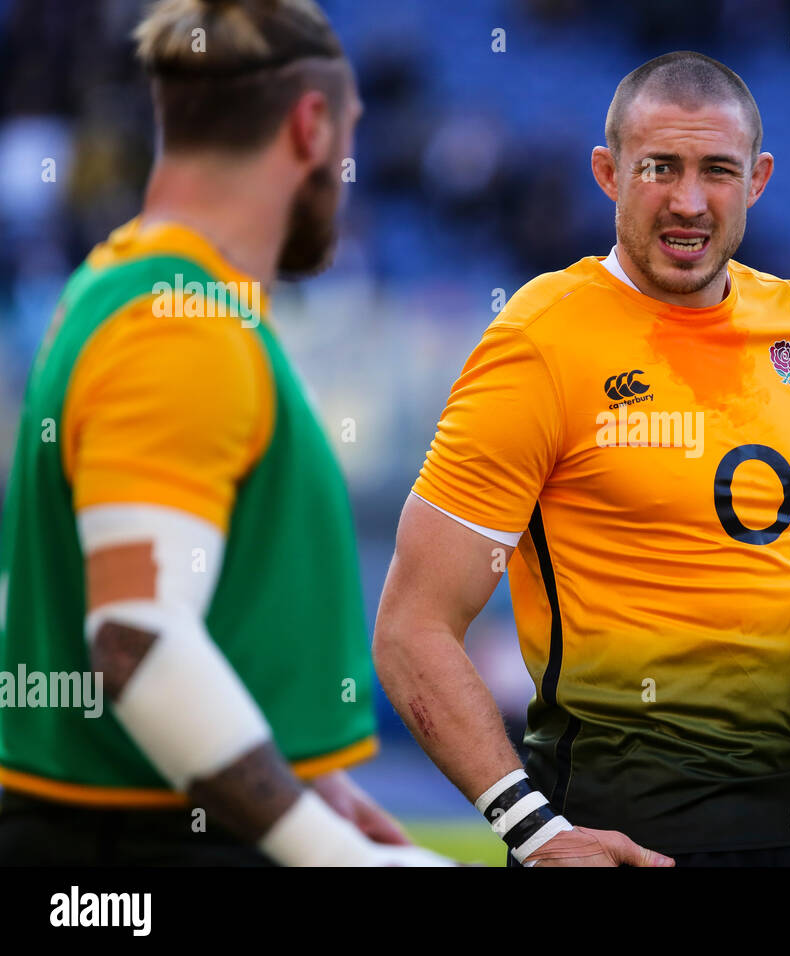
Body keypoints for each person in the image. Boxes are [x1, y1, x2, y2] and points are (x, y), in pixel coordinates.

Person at [373, 50, 790, 867]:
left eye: (717, 170)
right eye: (659, 168)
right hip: (616, 843)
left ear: (759, 179)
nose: (688, 202)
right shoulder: (541, 340)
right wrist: (534, 833)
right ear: (607, 173)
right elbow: (411, 627)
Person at [0, 0, 447, 866]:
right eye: (349, 137)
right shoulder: (179, 326)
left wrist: (300, 779)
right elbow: (138, 637)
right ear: (312, 125)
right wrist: (335, 854)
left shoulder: (121, 284)